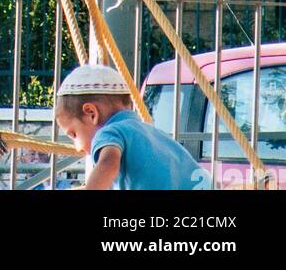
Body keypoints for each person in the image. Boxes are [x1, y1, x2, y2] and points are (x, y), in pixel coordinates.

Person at [56, 63, 208, 190]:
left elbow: (108, 164)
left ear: (91, 113)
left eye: (74, 134)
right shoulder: (153, 133)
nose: (77, 148)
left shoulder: (110, 133)